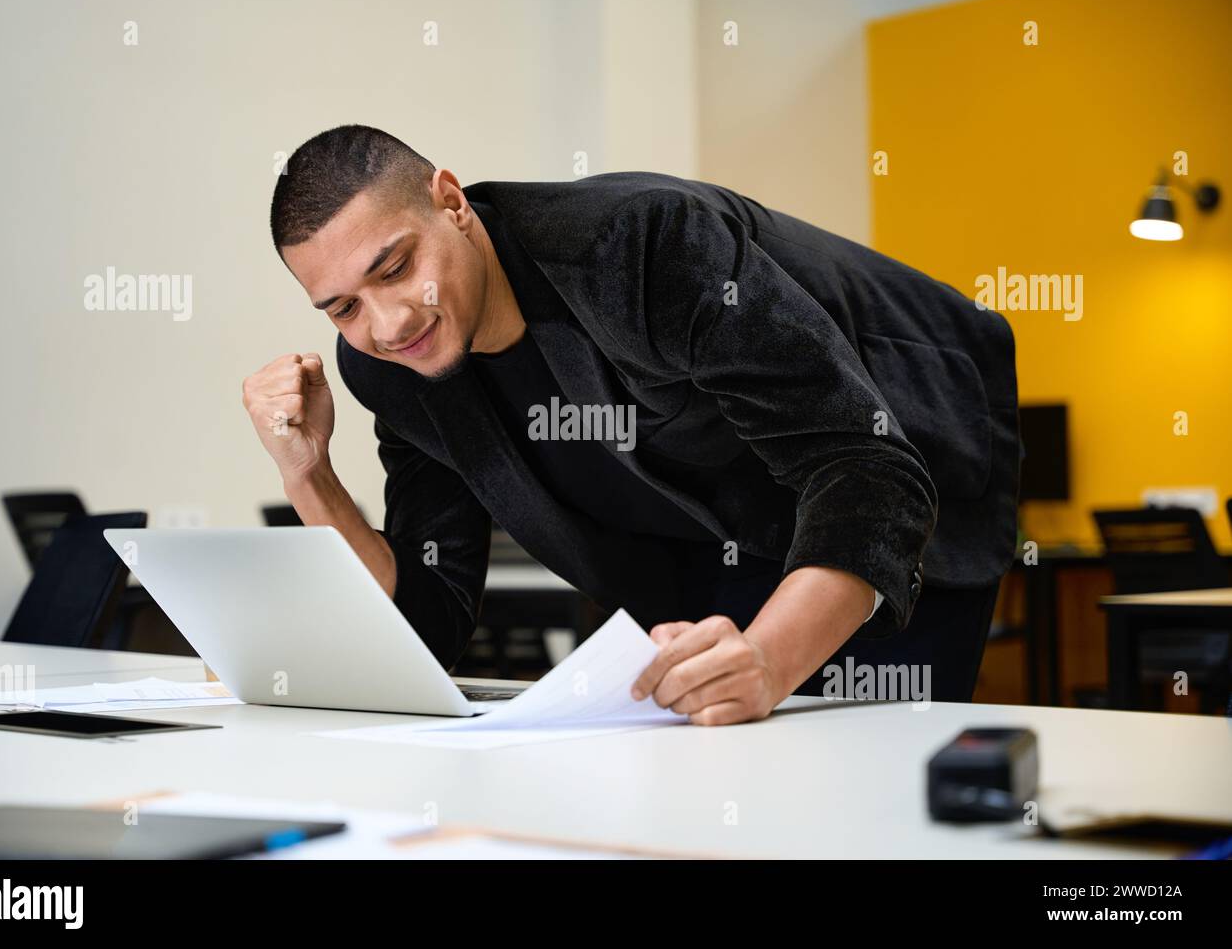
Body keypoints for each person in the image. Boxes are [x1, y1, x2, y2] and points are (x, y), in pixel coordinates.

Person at [242, 125, 1018, 725]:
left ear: (451, 201)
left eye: (396, 267)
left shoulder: (639, 243)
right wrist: (308, 475)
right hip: (695, 545)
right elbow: (428, 623)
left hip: (898, 467)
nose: (388, 321)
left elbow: (864, 468)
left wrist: (770, 661)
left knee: (870, 787)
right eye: (342, 307)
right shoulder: (391, 371)